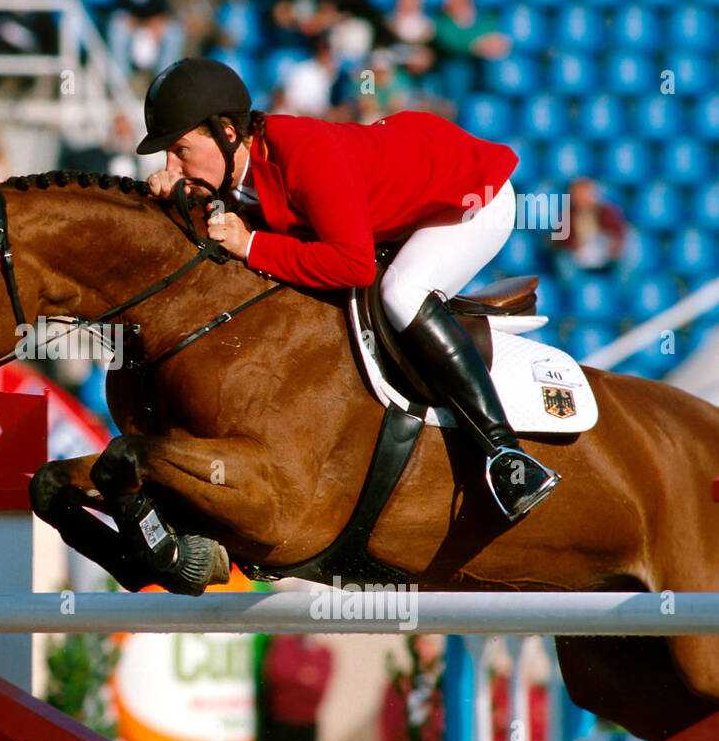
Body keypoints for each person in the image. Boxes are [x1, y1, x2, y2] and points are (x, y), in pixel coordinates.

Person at [137, 57, 559, 522]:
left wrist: (252, 245)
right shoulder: (237, 168)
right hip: (400, 202)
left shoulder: (303, 152)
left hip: (471, 195)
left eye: (179, 150)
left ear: (228, 133)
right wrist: (179, 198)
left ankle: (506, 455)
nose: (172, 164)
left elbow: (353, 265)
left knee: (401, 291)